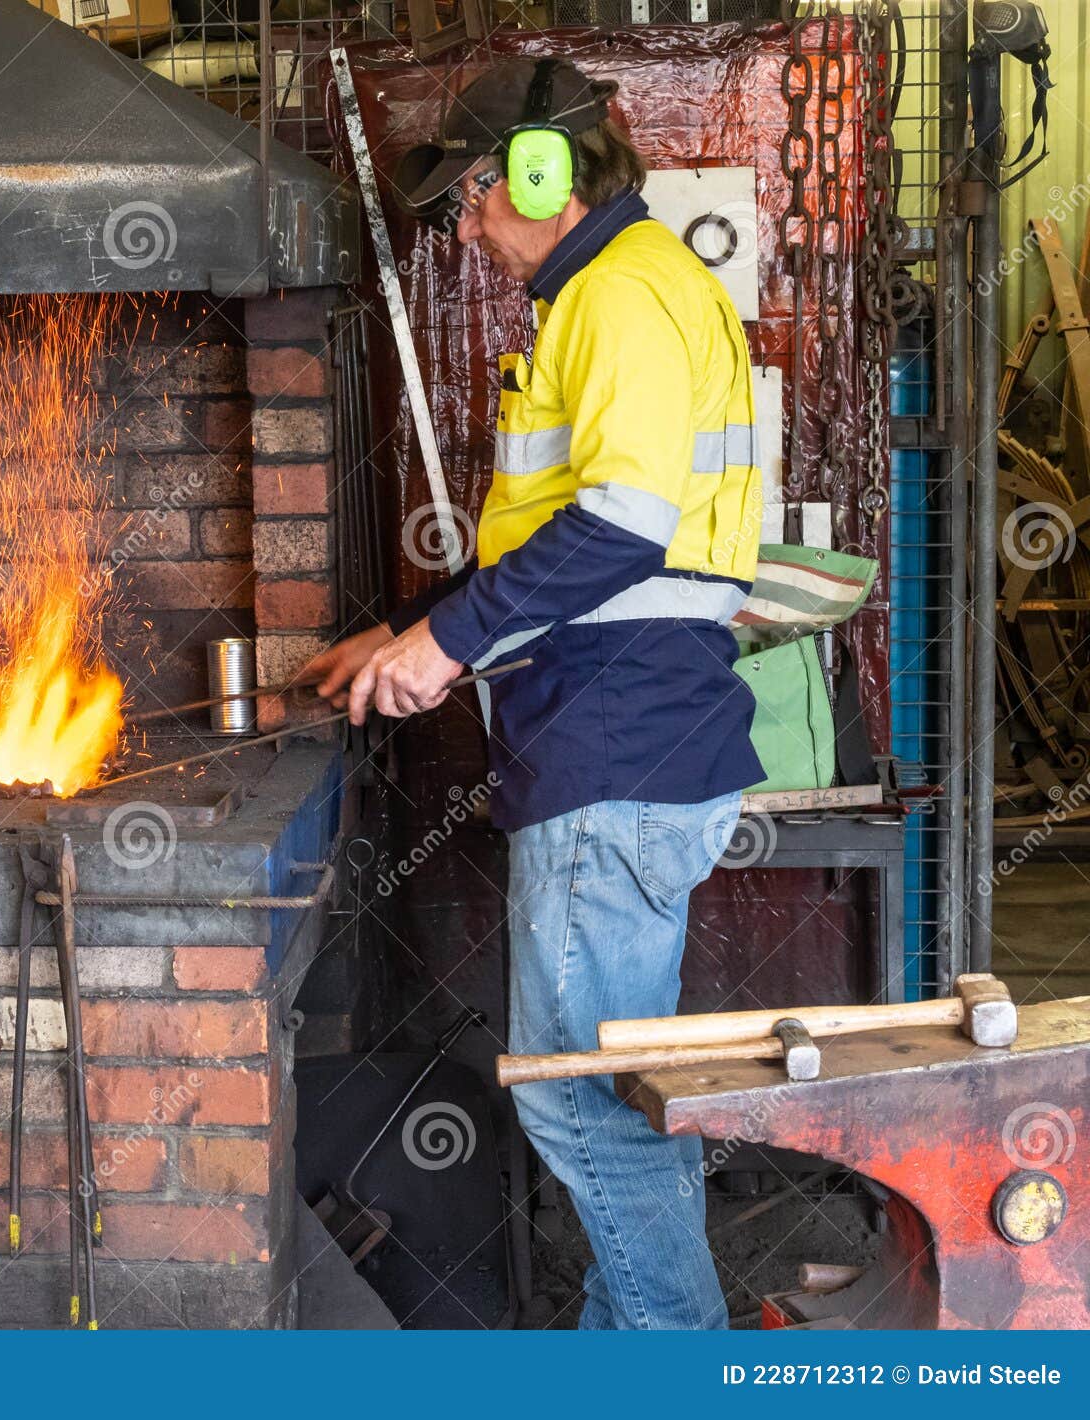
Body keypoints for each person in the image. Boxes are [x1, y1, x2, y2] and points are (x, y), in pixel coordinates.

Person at [303, 56, 764, 1329]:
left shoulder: (616, 296)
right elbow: (553, 542)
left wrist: (445, 652)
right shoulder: (617, 293)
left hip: (610, 749)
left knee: (574, 1095)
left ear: (543, 175)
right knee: (618, 1092)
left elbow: (619, 529)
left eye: (472, 196)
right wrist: (402, 629)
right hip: (633, 745)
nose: (465, 224)